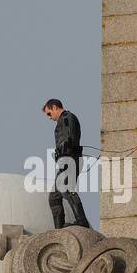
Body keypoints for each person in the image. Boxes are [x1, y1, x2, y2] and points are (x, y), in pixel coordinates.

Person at [42, 98, 91, 229]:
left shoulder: (67, 118)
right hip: (66, 161)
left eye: (49, 113)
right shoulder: (63, 120)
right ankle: (59, 230)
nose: (49, 117)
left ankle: (82, 221)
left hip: (70, 160)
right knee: (54, 197)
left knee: (66, 188)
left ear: (54, 107)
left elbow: (70, 138)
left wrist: (65, 151)